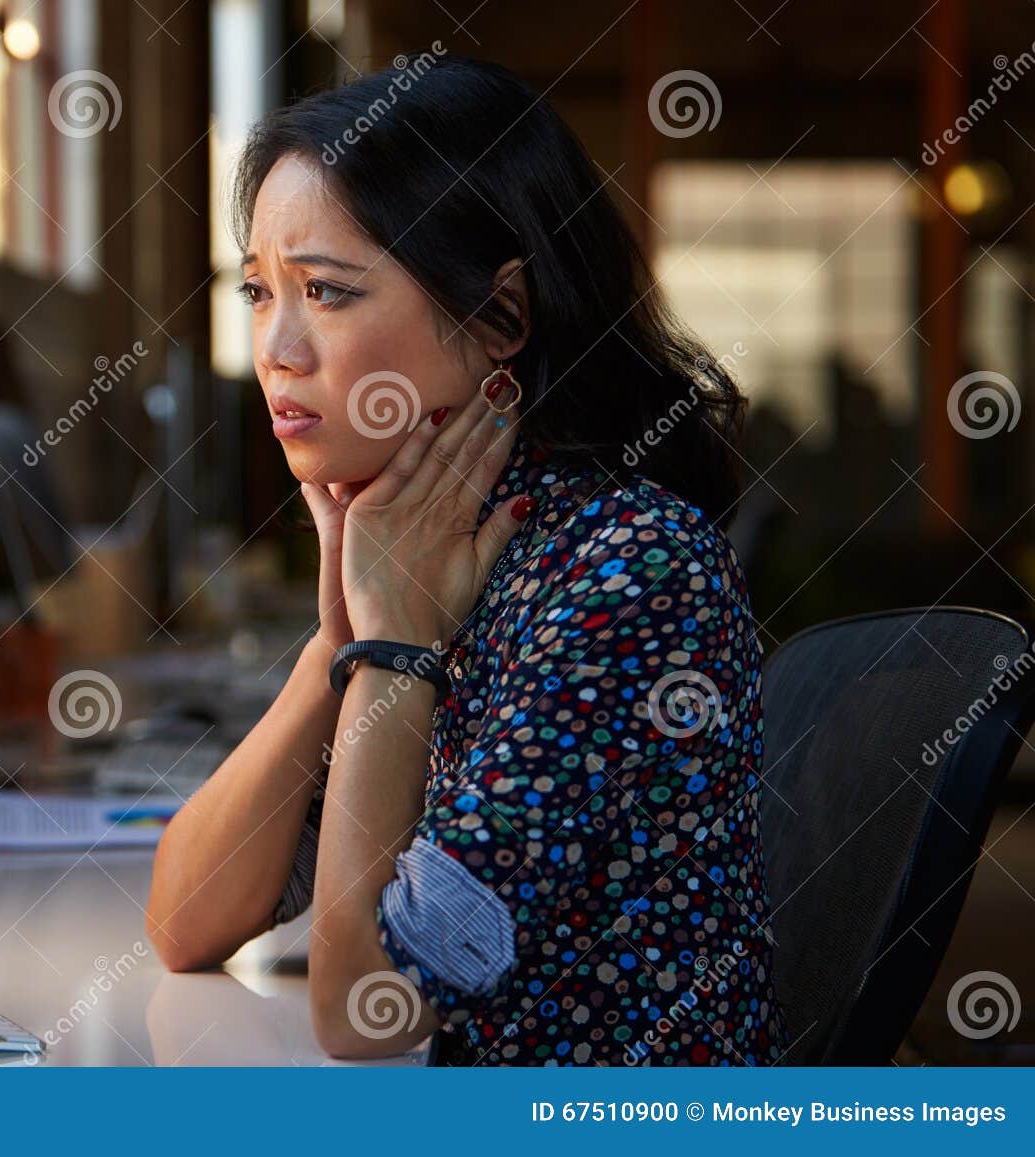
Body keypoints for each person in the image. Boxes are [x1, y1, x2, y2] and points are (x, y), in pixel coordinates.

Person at [145, 55, 784, 1067]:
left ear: (500, 318)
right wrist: (339, 642)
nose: (276, 347)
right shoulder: (437, 548)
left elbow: (365, 1013)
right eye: (259, 291)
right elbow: (186, 921)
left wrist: (393, 651)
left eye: (326, 290)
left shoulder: (630, 569)